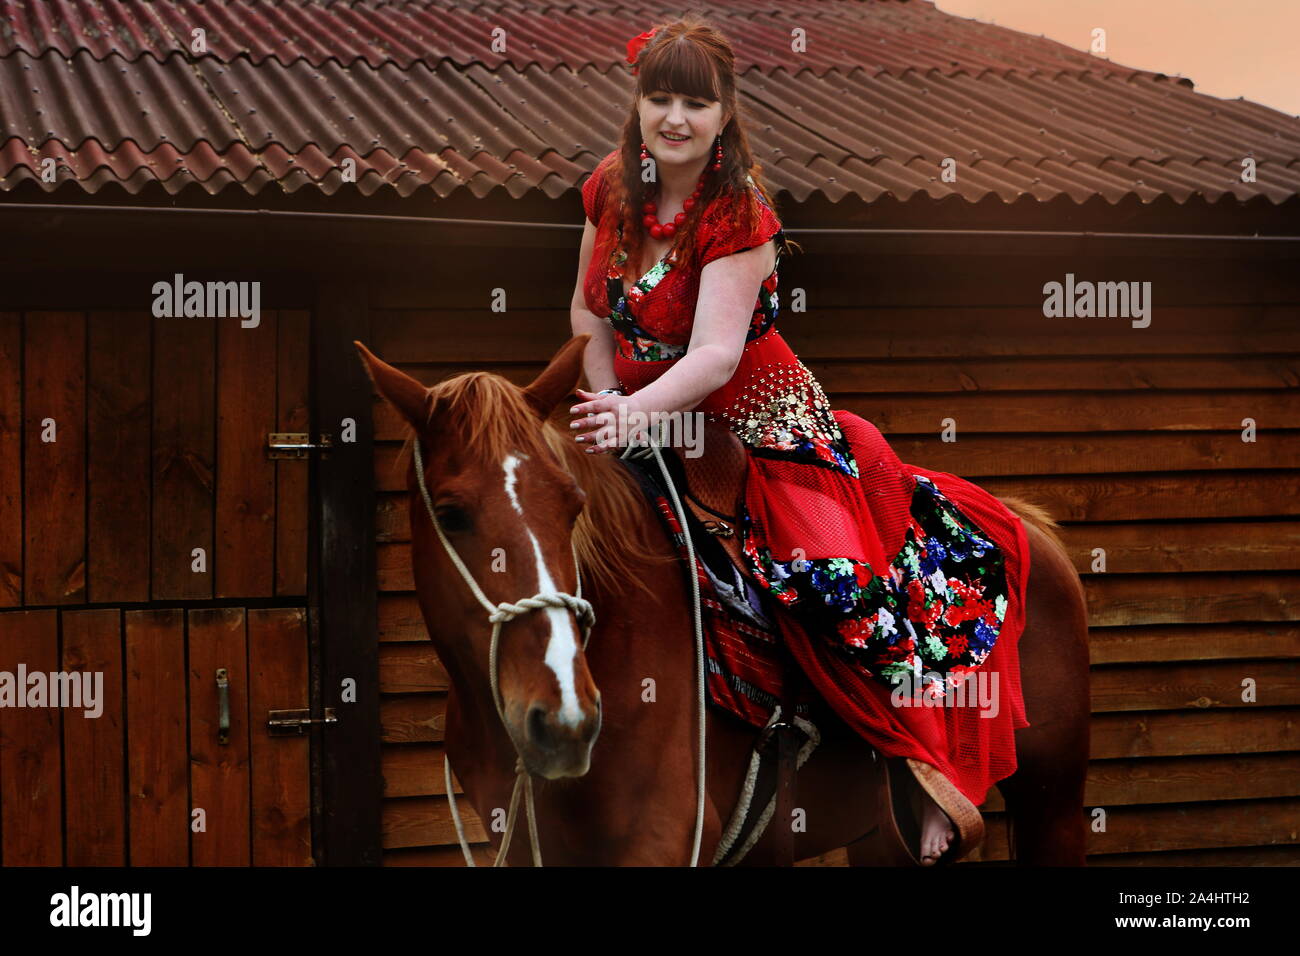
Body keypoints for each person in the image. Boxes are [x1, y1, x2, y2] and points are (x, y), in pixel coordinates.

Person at [568, 15, 1027, 865]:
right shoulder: (608, 189)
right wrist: (604, 402)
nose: (674, 117)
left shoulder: (739, 211)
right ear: (636, 104)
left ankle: (919, 771)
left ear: (723, 113)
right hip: (635, 415)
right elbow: (588, 315)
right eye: (658, 97)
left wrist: (636, 415)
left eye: (694, 103)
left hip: (759, 419)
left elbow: (711, 355)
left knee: (832, 577)